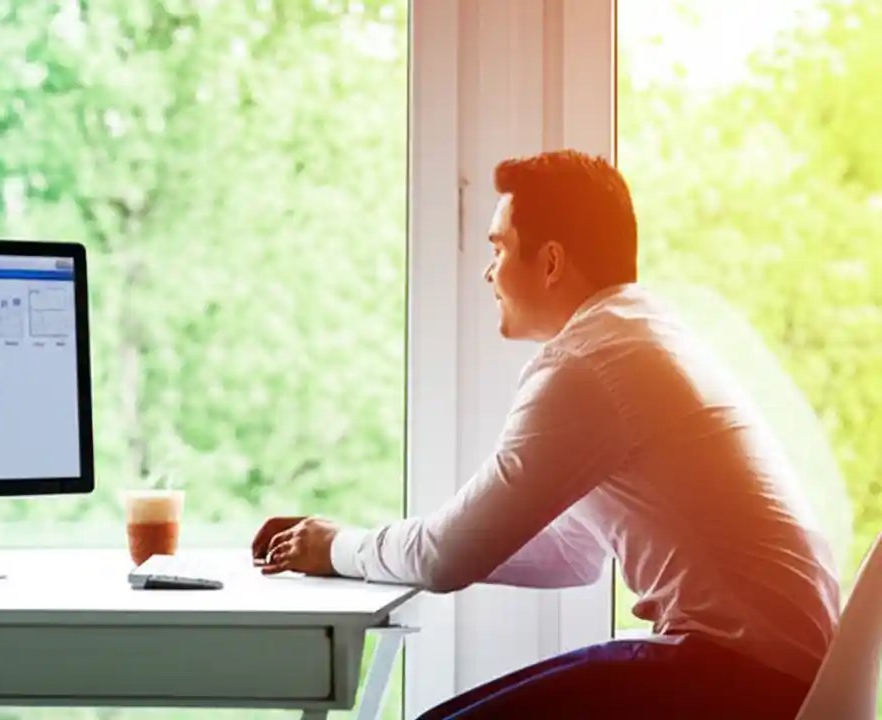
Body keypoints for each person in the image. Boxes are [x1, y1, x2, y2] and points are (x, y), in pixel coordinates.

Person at [251, 150, 840, 718]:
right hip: (772, 671)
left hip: (740, 679)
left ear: (552, 262)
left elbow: (445, 559)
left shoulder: (589, 365)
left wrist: (334, 547)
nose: (488, 271)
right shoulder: (638, 337)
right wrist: (407, 546)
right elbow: (571, 555)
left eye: (500, 247)